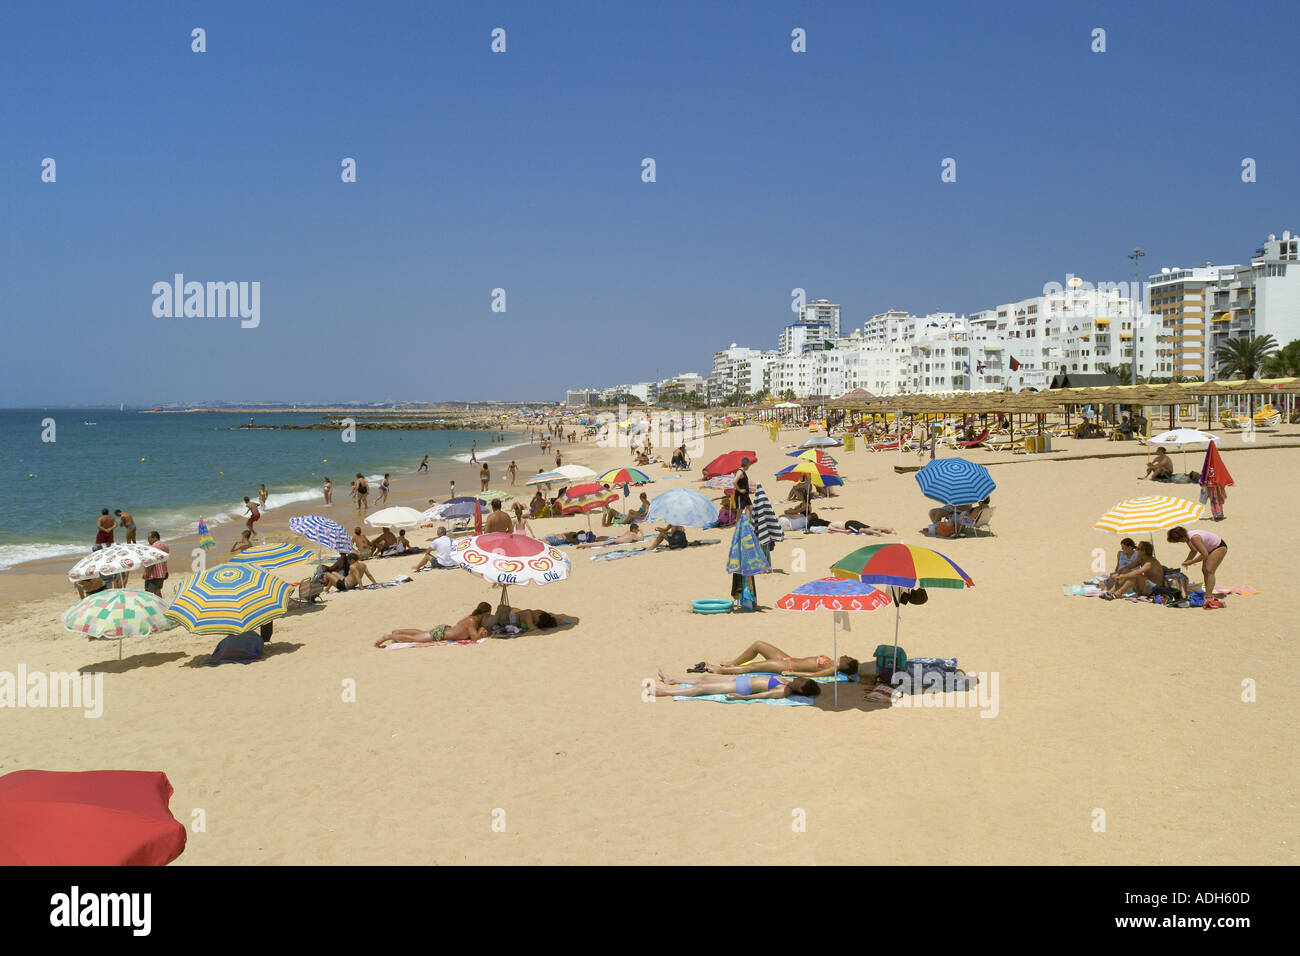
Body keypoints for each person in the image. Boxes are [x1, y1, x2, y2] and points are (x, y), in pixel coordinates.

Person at [705, 642, 858, 679]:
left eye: (848, 658)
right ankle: (733, 663)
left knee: (753, 667)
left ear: (846, 665)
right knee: (758, 644)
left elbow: (814, 676)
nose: (846, 655)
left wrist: (792, 673)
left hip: (787, 666)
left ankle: (721, 670)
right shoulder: (831, 662)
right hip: (787, 658)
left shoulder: (833, 668)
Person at [374, 602, 494, 646]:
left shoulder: (472, 618)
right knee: (414, 639)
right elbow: (474, 639)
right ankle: (388, 637)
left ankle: (398, 632)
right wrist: (481, 630)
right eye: (488, 615)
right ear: (484, 614)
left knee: (421, 633)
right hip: (442, 634)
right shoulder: (472, 621)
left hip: (445, 630)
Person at [652, 669, 820, 701]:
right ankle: (673, 680)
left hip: (739, 688)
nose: (799, 679)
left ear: (799, 689)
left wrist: (741, 697)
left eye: (801, 682)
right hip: (740, 679)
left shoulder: (784, 691)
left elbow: (763, 695)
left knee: (701, 689)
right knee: (703, 679)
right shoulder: (788, 681)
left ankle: (665, 692)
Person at [1167, 526, 1227, 598]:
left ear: (1181, 536)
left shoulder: (1194, 538)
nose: (1180, 542)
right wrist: (1187, 560)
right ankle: (1208, 592)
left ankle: (1208, 595)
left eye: (1178, 540)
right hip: (1209, 549)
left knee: (1209, 570)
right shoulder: (1188, 538)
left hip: (1218, 547)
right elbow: (1193, 551)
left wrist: (1191, 562)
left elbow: (1204, 554)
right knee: (1204, 570)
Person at [142, 531, 169, 595]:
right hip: (162, 572)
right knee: (157, 591)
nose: (148, 540)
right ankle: (161, 605)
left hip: (154, 574)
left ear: (155, 538)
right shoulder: (165, 546)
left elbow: (151, 561)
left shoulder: (153, 547)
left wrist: (146, 572)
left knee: (149, 593)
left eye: (149, 538)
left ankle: (151, 605)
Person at [576, 523, 642, 548]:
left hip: (615, 539)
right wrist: (642, 532)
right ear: (634, 529)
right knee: (599, 544)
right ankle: (583, 544)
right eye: (637, 530)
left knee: (599, 542)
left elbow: (623, 537)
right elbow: (642, 539)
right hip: (615, 541)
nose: (637, 531)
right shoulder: (633, 534)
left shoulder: (628, 531)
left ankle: (585, 543)